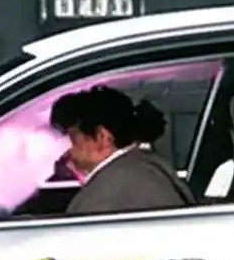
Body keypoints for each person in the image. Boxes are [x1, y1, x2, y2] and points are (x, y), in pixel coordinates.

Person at [48, 85, 194, 215]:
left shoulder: (105, 197)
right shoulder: (149, 165)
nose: (65, 150)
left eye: (70, 138)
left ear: (102, 136)